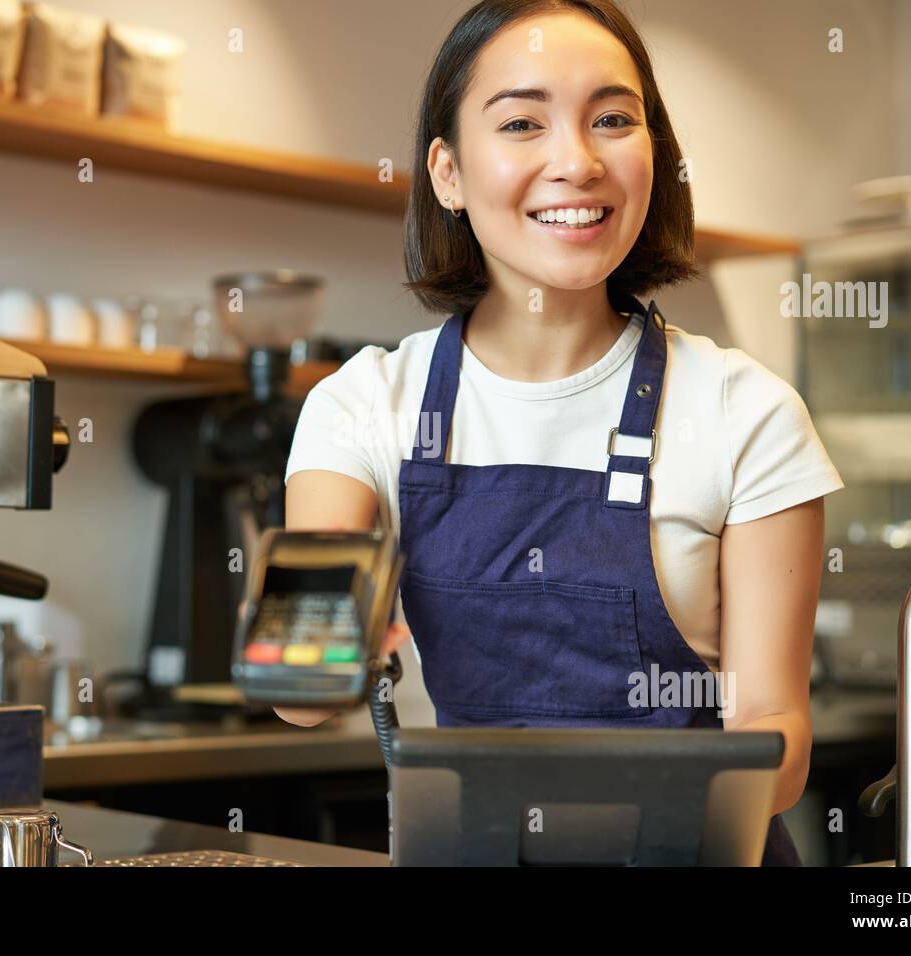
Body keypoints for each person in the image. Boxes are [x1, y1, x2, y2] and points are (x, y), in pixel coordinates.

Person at [277, 0, 844, 866]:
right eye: (522, 123)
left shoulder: (748, 411)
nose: (577, 162)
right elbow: (302, 696)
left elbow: (777, 735)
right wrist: (325, 644)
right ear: (448, 173)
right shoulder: (363, 404)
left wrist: (636, 823)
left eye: (613, 120)